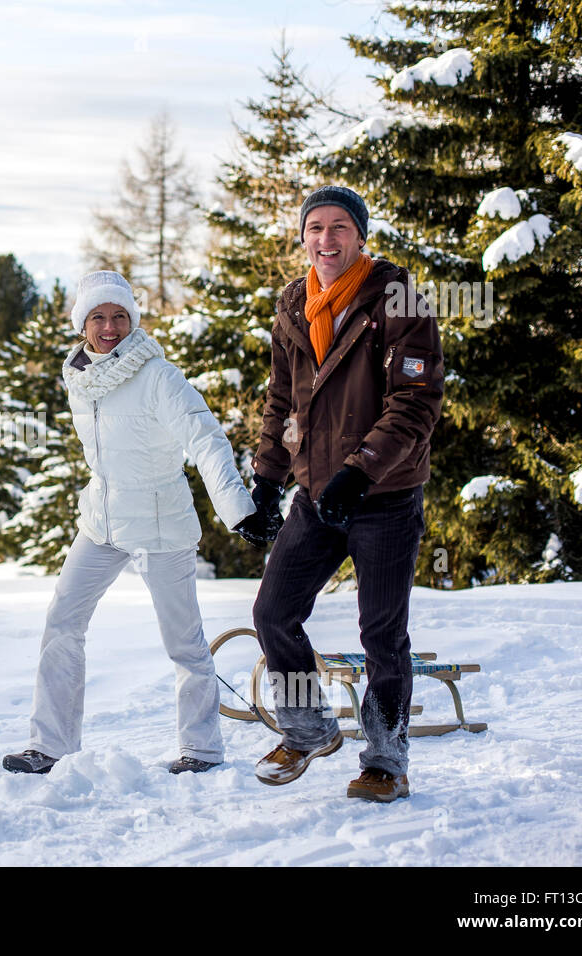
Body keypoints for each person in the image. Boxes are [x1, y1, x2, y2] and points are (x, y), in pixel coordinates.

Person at [234, 185, 444, 802]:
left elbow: (416, 403)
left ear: (360, 235)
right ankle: (307, 728)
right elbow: (282, 401)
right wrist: (269, 480)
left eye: (340, 227)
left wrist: (362, 470)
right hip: (315, 493)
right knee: (274, 611)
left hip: (383, 495)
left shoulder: (398, 299)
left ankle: (385, 758)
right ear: (303, 236)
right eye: (315, 228)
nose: (326, 240)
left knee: (381, 633)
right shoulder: (295, 302)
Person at [3, 270, 258, 775]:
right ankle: (49, 745)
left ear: (133, 320)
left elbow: (205, 438)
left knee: (183, 643)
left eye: (119, 315)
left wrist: (237, 507)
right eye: (98, 316)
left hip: (161, 524)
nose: (110, 326)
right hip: (101, 521)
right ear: (82, 325)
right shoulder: (80, 378)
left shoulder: (159, 377)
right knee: (62, 623)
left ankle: (202, 750)